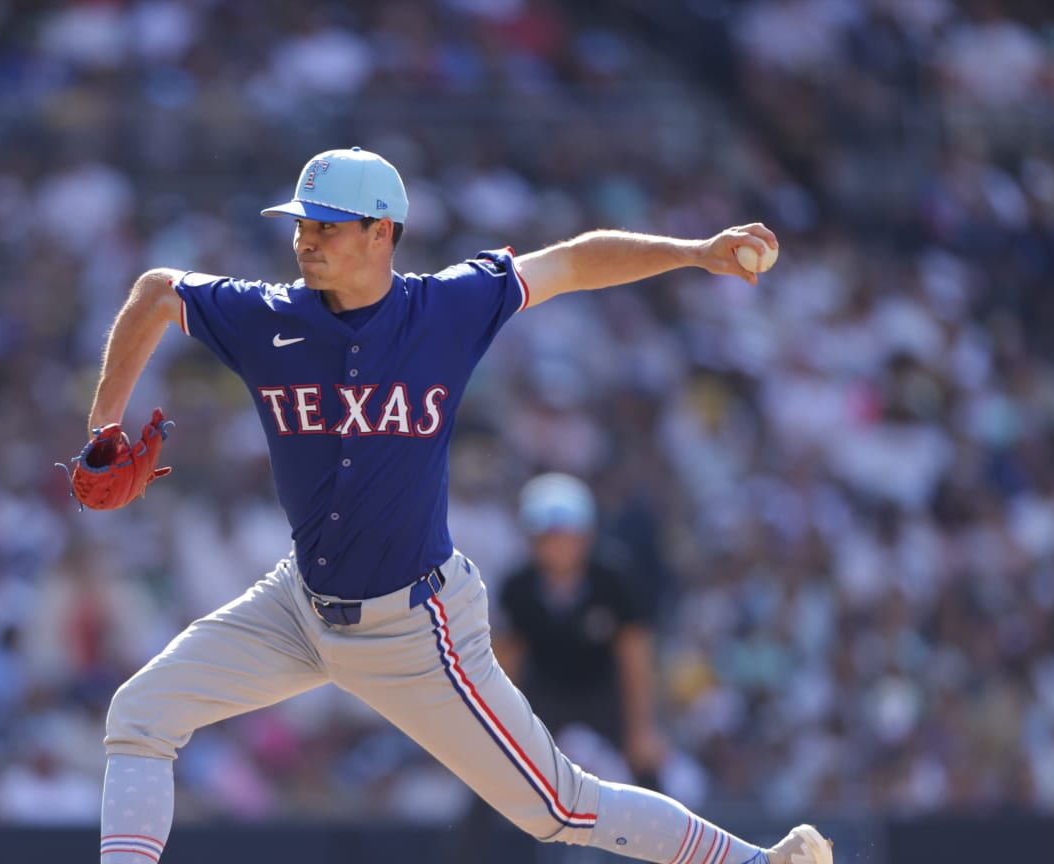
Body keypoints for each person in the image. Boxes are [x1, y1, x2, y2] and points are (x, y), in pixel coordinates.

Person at [85, 147, 831, 864]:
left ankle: (761, 861)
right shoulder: (265, 315)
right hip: (296, 604)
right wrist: (103, 428)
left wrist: (696, 251)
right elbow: (155, 291)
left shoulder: (448, 307)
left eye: (325, 225)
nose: (304, 239)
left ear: (381, 234)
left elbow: (573, 261)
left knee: (561, 810)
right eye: (301, 223)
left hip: (412, 623)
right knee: (140, 715)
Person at [451, 472, 666, 864]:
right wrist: (490, 732)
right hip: (542, 693)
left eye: (567, 535)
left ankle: (676, 854)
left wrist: (641, 727)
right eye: (547, 536)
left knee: (648, 769)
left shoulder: (614, 578)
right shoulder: (518, 585)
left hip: (603, 691)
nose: (558, 547)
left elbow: (634, 659)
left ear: (586, 536)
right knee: (487, 777)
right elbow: (506, 662)